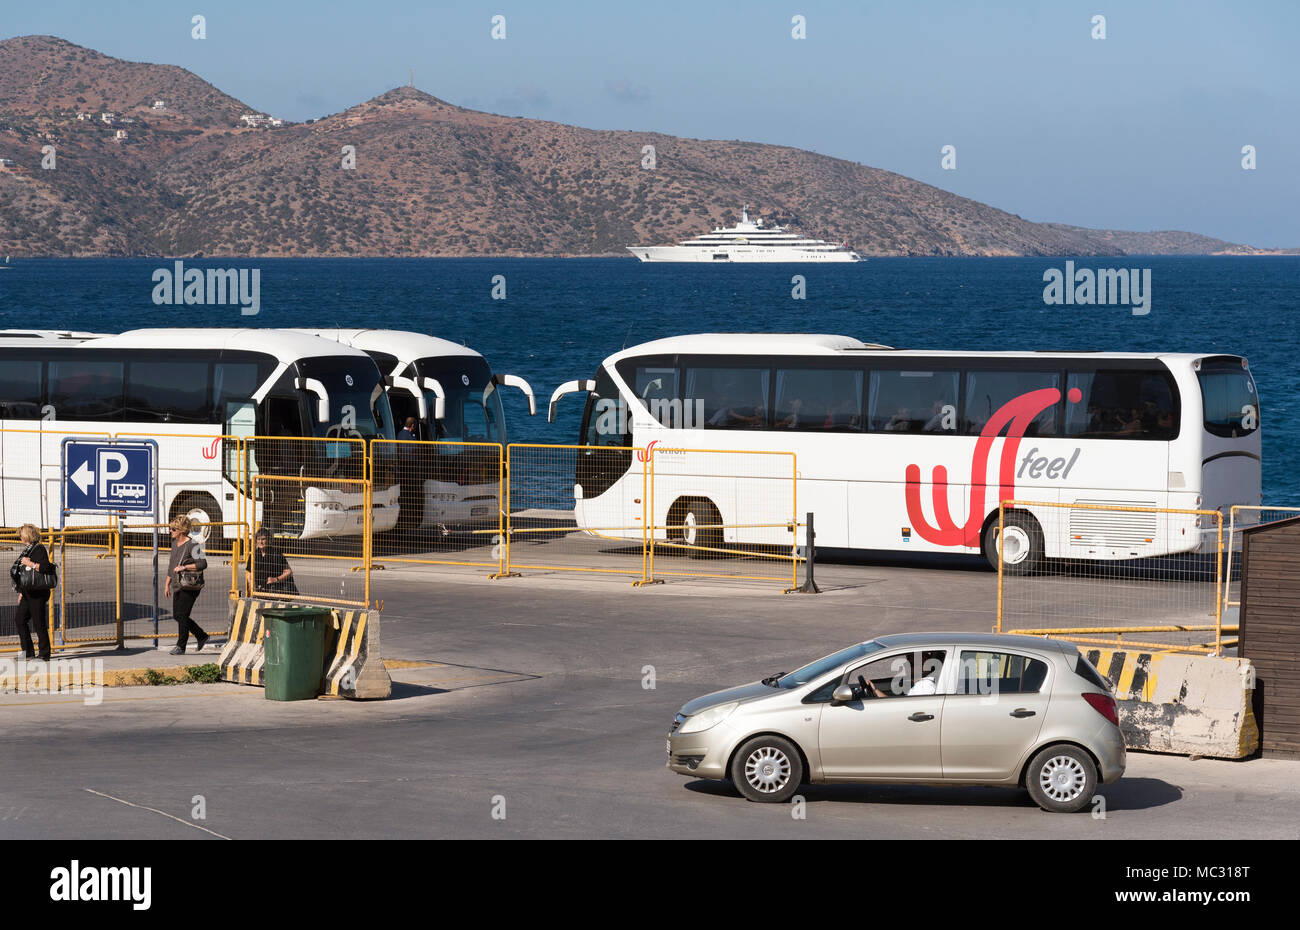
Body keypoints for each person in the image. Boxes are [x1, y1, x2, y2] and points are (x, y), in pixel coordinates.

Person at [164, 515, 208, 655]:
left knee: (182, 615)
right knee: (178, 616)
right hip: (177, 584)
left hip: (190, 585)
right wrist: (167, 584)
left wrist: (184, 568)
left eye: (173, 529)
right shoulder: (174, 543)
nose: (170, 531)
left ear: (181, 531)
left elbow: (202, 564)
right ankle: (201, 635)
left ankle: (180, 646)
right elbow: (172, 565)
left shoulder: (193, 545)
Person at [9, 524, 54, 662]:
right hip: (28, 592)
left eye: (22, 535)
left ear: (27, 536)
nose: (20, 538)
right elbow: (24, 576)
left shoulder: (38, 548)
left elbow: (46, 567)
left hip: (38, 592)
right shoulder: (27, 550)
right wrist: (21, 592)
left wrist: (31, 564)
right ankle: (28, 652)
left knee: (38, 622)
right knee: (20, 620)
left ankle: (44, 654)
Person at [248, 528, 298, 596]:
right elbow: (249, 576)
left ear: (268, 540)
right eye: (258, 539)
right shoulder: (253, 555)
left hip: (277, 591)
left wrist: (276, 579)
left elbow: (288, 572)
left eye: (263, 539)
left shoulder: (276, 553)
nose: (261, 542)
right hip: (260, 591)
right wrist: (250, 592)